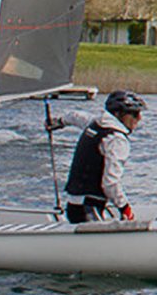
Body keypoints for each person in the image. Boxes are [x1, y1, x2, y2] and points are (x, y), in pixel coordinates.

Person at [47, 90, 146, 223]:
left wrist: (58, 122)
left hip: (74, 206)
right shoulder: (116, 140)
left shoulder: (95, 123)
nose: (139, 118)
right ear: (118, 114)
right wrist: (124, 207)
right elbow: (110, 183)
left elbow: (74, 116)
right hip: (89, 209)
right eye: (134, 113)